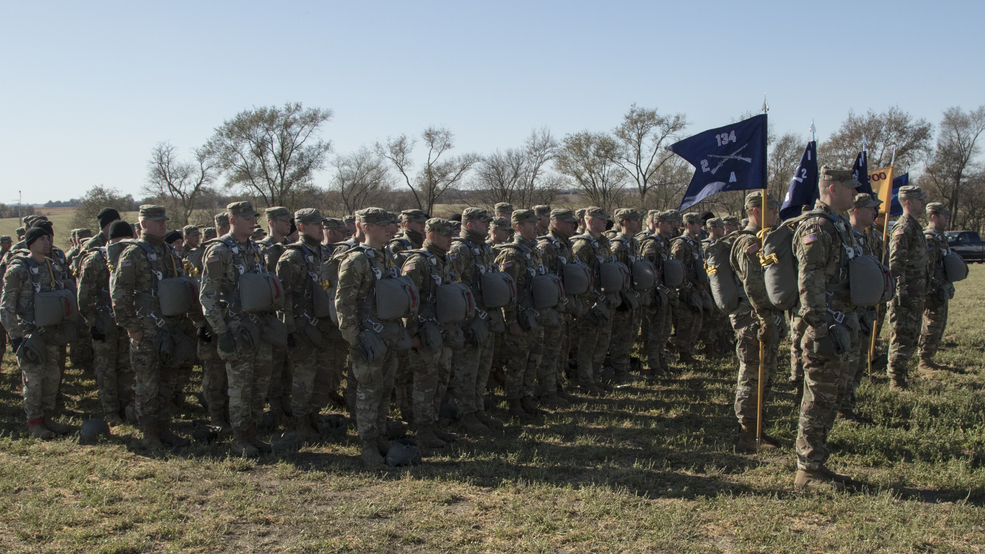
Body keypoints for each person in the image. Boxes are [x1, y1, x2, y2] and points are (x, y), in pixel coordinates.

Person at [791, 166, 861, 490]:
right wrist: (818, 327)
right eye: (850, 188)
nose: (854, 193)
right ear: (833, 189)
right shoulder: (817, 226)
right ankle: (807, 470)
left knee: (832, 398)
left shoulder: (839, 225)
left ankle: (817, 462)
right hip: (826, 327)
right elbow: (809, 279)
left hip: (841, 322)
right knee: (818, 399)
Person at [111, 205, 196, 450]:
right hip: (146, 329)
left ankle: (163, 428)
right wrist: (131, 327)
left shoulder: (169, 251)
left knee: (168, 380)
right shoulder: (133, 254)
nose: (162, 224)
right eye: (156, 221)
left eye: (164, 220)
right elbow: (120, 294)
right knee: (147, 383)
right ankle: (149, 435)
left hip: (170, 328)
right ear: (143, 224)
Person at [200, 201, 279, 457]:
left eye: (253, 217)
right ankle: (239, 438)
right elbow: (207, 296)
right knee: (240, 387)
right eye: (246, 217)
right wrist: (221, 332)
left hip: (259, 327)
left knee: (260, 385)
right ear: (232, 220)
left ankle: (253, 433)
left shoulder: (255, 248)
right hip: (235, 328)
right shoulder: (219, 250)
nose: (251, 221)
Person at [335, 207, 402, 467]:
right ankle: (368, 445)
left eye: (392, 224)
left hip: (387, 333)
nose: (391, 228)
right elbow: (344, 303)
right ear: (365, 227)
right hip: (367, 337)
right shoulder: (356, 260)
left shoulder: (386, 255)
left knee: (384, 390)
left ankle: (381, 435)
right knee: (368, 392)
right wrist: (355, 340)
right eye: (384, 224)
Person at [1, 227, 75, 439]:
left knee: (52, 375)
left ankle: (48, 416)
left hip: (50, 331)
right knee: (33, 379)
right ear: (30, 242)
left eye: (48, 238)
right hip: (28, 333)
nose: (47, 241)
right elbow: (6, 307)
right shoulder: (18, 269)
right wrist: (15, 337)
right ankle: (34, 422)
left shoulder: (51, 266)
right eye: (41, 238)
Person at [729, 192, 783, 453]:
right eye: (772, 209)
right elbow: (753, 283)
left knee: (767, 373)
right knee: (753, 373)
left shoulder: (762, 239)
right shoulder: (748, 242)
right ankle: (747, 435)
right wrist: (764, 315)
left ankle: (758, 429)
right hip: (752, 317)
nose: (777, 213)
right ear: (757, 211)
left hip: (764, 315)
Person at [401, 218, 462, 447]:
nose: (450, 238)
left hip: (442, 331)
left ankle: (433, 424)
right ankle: (423, 429)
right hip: (424, 334)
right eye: (445, 234)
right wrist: (412, 335)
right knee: (425, 382)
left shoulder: (443, 260)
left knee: (441, 378)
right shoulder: (418, 262)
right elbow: (408, 302)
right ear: (430, 235)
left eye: (451, 234)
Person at [277, 208, 335, 444]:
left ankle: (314, 417)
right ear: (301, 227)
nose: (321, 227)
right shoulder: (292, 257)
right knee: (303, 378)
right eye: (315, 224)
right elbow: (284, 299)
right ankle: (302, 424)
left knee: (324, 377)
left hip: (324, 326)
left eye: (321, 223)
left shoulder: (324, 253)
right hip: (302, 329)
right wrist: (290, 330)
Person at [449, 207, 505, 434]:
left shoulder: (484, 248)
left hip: (486, 317)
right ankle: (465, 414)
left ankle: (477, 409)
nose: (488, 226)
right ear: (469, 225)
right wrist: (466, 319)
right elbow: (453, 287)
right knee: (467, 370)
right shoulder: (459, 250)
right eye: (484, 223)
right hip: (469, 320)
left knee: (482, 369)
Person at [78, 220, 136, 426]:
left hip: (127, 322)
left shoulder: (133, 256)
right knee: (105, 368)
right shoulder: (96, 259)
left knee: (126, 366)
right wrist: (92, 322)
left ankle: (126, 405)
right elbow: (84, 295)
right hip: (104, 322)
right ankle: (111, 410)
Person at [495, 209, 549, 418]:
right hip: (519, 318)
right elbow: (507, 291)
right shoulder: (512, 254)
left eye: (537, 222)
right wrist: (511, 320)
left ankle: (527, 398)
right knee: (517, 363)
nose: (536, 226)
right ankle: (515, 404)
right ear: (518, 227)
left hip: (535, 316)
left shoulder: (533, 250)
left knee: (533, 360)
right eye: (531, 223)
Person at [841, 194, 882, 421]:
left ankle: (848, 403)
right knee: (849, 360)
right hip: (852, 309)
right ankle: (843, 407)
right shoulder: (847, 237)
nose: (874, 213)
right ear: (856, 211)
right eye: (870, 209)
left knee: (858, 362)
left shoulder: (869, 237)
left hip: (866, 309)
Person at [534, 209, 582, 404]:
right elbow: (540, 279)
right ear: (555, 224)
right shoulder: (547, 246)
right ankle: (547, 392)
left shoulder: (566, 244)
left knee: (560, 350)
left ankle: (556, 386)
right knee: (549, 352)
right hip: (550, 309)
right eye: (568, 222)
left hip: (564, 307)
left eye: (573, 222)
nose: (573, 225)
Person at [887, 185, 929, 392]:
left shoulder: (915, 226)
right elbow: (895, 264)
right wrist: (900, 293)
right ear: (908, 202)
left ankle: (902, 374)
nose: (923, 203)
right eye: (920, 200)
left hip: (915, 292)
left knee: (911, 335)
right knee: (902, 335)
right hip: (905, 294)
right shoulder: (904, 227)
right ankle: (896, 380)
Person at [570, 207, 616, 395]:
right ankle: (586, 381)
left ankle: (596, 378)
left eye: (606, 218)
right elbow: (578, 277)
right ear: (589, 221)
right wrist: (585, 304)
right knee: (587, 345)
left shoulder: (603, 242)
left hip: (604, 300)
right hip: (590, 303)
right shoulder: (582, 245)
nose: (605, 221)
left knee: (601, 343)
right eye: (601, 219)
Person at [918, 202, 955, 373]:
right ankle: (924, 361)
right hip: (933, 290)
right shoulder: (930, 238)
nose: (947, 218)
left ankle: (929, 358)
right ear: (934, 216)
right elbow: (928, 268)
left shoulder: (941, 237)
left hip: (941, 288)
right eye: (943, 215)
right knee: (931, 324)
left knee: (940, 323)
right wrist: (929, 291)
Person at [608, 209, 643, 382]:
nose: (638, 222)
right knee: (620, 336)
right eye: (634, 220)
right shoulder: (617, 246)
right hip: (622, 298)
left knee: (630, 334)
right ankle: (618, 372)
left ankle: (624, 368)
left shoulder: (633, 243)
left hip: (633, 295)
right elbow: (614, 275)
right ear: (624, 222)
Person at [670, 213, 707, 364]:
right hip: (685, 289)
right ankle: (683, 353)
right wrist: (683, 287)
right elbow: (676, 267)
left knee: (696, 322)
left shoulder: (697, 241)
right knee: (686, 322)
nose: (700, 226)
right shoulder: (680, 244)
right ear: (688, 225)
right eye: (697, 224)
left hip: (697, 288)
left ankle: (689, 350)